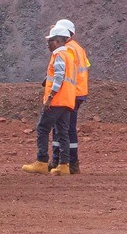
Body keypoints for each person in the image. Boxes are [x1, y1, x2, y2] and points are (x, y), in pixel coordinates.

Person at [23, 26, 80, 174]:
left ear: (57, 41)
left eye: (49, 41)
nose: (47, 44)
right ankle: (64, 165)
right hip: (67, 101)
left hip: (57, 101)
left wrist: (50, 97)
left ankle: (41, 162)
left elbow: (59, 78)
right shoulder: (69, 56)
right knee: (63, 132)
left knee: (42, 128)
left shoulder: (58, 55)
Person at [58, 18, 92, 167]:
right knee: (66, 127)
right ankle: (68, 162)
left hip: (71, 93)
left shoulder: (68, 49)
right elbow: (86, 66)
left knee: (65, 128)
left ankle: (69, 162)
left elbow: (66, 71)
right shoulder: (78, 48)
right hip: (79, 92)